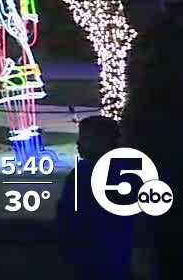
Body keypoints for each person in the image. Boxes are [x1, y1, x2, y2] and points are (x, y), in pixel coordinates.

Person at [116, 0, 183, 280]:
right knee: (161, 220)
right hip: (156, 145)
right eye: (125, 6)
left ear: (152, 4)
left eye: (131, 6)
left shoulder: (173, 42)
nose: (127, 14)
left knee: (168, 222)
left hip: (168, 147)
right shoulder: (151, 40)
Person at [55, 116, 134, 280]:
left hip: (89, 251)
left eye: (84, 138)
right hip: (120, 252)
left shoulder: (83, 173)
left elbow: (70, 213)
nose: (77, 143)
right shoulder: (128, 170)